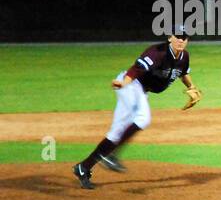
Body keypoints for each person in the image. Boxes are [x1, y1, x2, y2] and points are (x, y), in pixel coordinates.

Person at [72, 27, 201, 190]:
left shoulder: (184, 56)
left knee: (116, 134)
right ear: (170, 38)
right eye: (178, 36)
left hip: (139, 90)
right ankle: (112, 156)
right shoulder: (157, 52)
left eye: (185, 37)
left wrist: (192, 87)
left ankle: (83, 167)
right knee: (143, 118)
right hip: (131, 85)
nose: (181, 40)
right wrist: (124, 83)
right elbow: (136, 69)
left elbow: (183, 72)